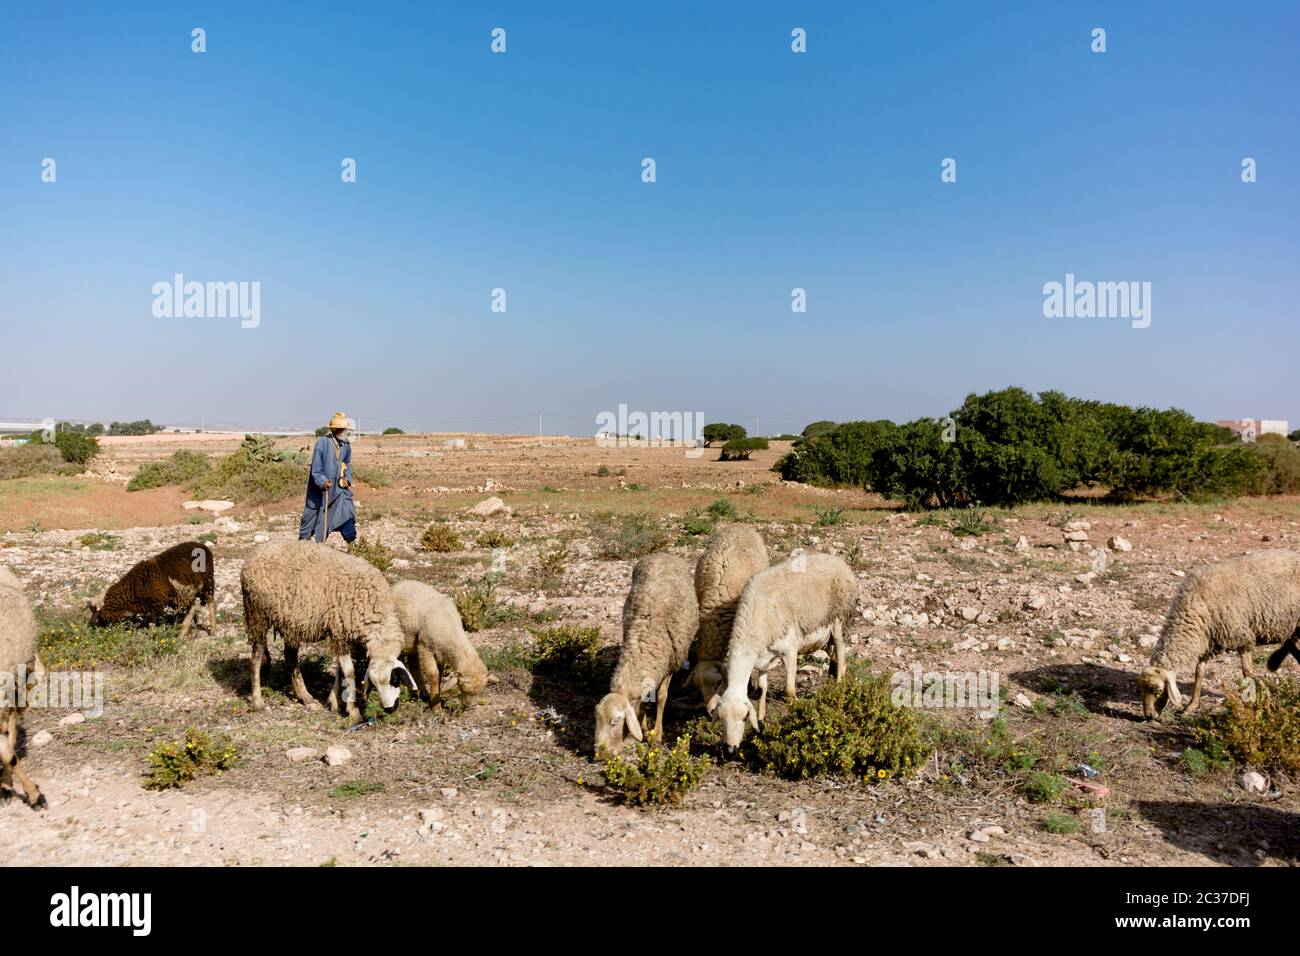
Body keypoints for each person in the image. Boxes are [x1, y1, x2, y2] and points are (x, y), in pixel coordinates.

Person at [299, 412, 357, 544]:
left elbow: (347, 464)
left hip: (339, 490)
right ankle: (303, 548)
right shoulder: (323, 443)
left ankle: (353, 545)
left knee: (346, 512)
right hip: (321, 492)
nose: (344, 432)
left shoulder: (346, 445)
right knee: (312, 520)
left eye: (345, 429)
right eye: (342, 429)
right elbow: (316, 469)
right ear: (335, 429)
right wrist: (323, 481)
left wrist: (347, 478)